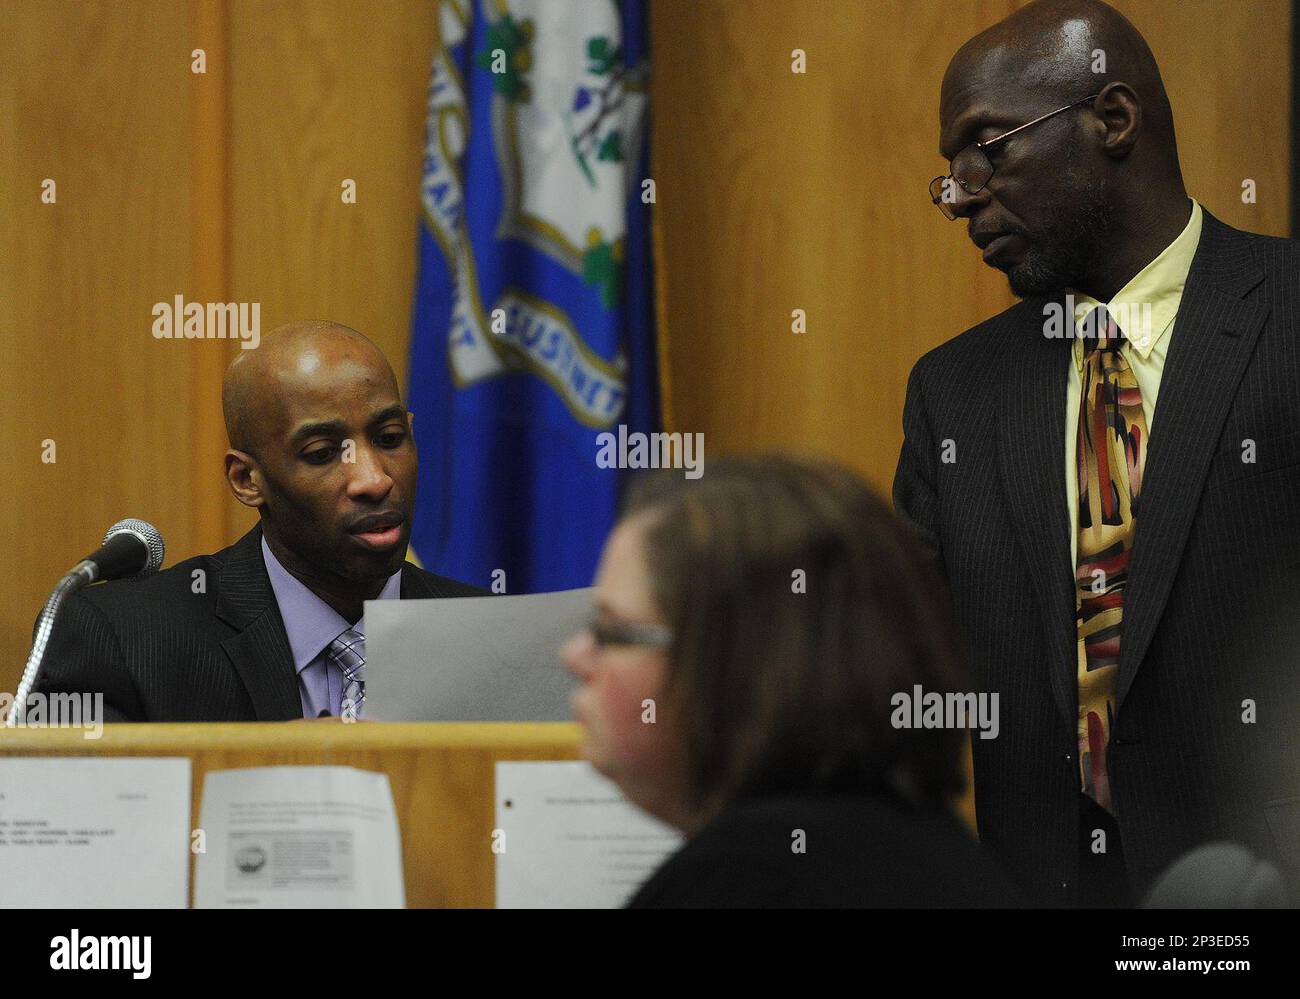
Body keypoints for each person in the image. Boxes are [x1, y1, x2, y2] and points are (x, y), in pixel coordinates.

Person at [895, 0, 1300, 906]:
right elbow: (892, 666)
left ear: (1112, 120)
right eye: (949, 169)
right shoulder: (954, 392)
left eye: (987, 147)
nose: (957, 191)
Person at [563, 454, 1020, 907]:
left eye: (613, 632)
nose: (573, 655)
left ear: (737, 662)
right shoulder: (937, 851)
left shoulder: (740, 879)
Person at [34, 320, 485, 721]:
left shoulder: (487, 636)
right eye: (322, 454)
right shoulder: (127, 640)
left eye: (390, 439)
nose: (374, 479)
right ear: (247, 479)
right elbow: (82, 812)